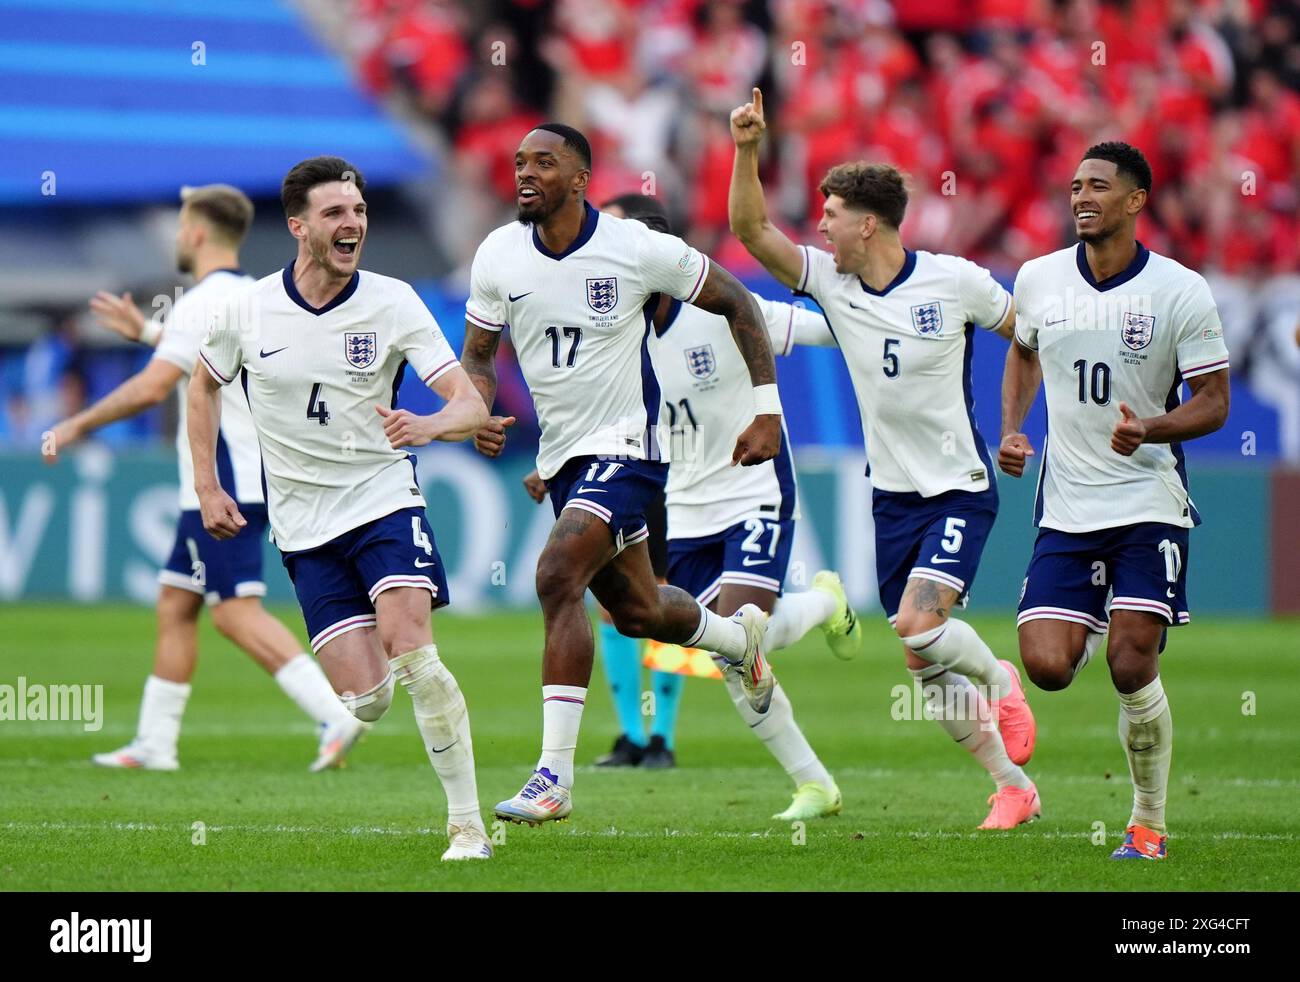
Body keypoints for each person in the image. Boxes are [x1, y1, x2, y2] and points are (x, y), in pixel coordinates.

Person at [729, 88, 1039, 830]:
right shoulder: (832, 284)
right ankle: (1011, 787)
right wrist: (746, 148)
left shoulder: (955, 281)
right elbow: (751, 229)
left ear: (866, 223)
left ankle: (1000, 677)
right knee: (924, 664)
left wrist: (1013, 427)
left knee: (916, 626)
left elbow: (1026, 337)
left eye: (831, 214)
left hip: (959, 487)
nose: (822, 226)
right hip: (891, 496)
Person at [461, 123, 783, 826]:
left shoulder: (634, 247)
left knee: (554, 577)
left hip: (631, 448)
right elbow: (481, 356)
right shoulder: (497, 255)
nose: (524, 173)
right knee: (638, 611)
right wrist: (475, 407)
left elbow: (739, 302)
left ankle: (554, 778)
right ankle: (739, 642)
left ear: (580, 179)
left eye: (543, 163)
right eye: (519, 162)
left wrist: (766, 410)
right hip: (565, 458)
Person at [188, 157, 493, 861]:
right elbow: (200, 388)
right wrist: (209, 485)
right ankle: (374, 707)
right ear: (298, 226)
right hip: (302, 525)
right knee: (368, 702)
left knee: (414, 649)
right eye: (334, 213)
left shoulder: (394, 301)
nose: (352, 222)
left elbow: (470, 402)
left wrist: (429, 425)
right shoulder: (247, 308)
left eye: (357, 210)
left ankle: (468, 826)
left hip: (383, 500)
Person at [45, 184, 364, 773]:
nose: (175, 237)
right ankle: (155, 743)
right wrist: (147, 333)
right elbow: (205, 354)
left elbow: (151, 387)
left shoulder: (201, 302)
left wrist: (74, 426)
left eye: (180, 226)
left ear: (194, 233)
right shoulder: (259, 295)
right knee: (176, 603)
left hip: (220, 484)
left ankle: (335, 712)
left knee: (233, 611)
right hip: (253, 476)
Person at [1000, 142, 1231, 860]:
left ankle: (1148, 824)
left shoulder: (1180, 290)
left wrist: (1152, 428)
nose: (1081, 197)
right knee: (1048, 668)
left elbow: (1215, 402)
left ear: (1136, 201)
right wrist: (1012, 427)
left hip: (1147, 498)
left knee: (1132, 665)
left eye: (1098, 186)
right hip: (1068, 503)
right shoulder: (1038, 279)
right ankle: (1092, 618)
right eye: (1074, 187)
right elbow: (1024, 349)